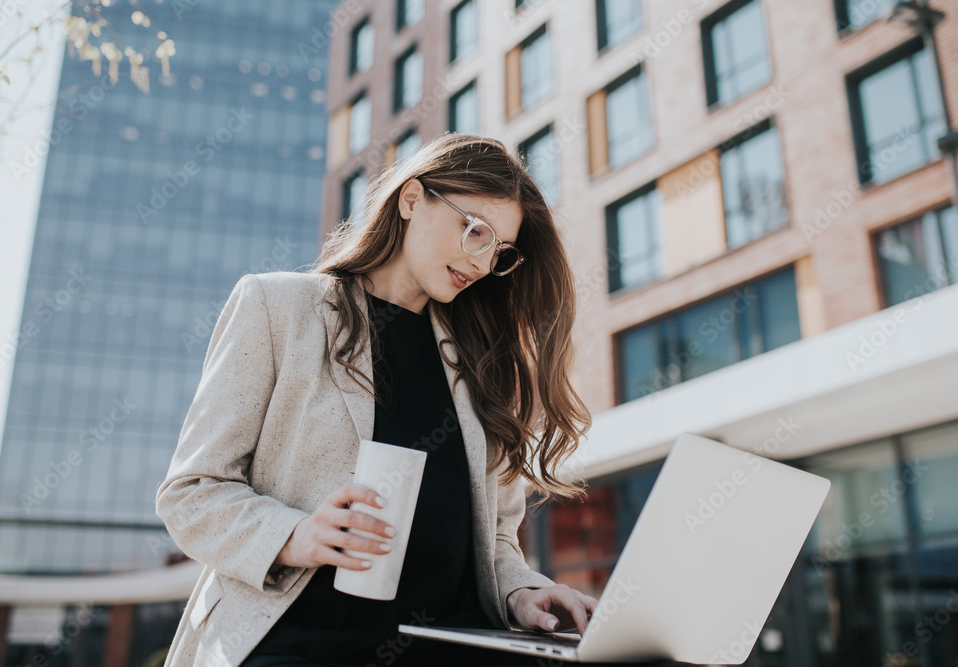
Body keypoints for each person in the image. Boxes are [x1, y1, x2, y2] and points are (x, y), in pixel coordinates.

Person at [155, 134, 680, 667]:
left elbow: (495, 537)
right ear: (411, 200)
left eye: (498, 250)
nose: (480, 261)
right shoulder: (278, 308)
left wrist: (520, 591)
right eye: (473, 230)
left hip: (452, 642)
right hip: (297, 638)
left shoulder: (484, 363)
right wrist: (297, 535)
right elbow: (193, 492)